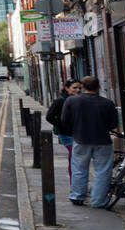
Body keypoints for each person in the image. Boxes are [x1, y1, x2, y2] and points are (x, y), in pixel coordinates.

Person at [60, 75, 119, 208]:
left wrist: (75, 130)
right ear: (98, 87)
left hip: (80, 139)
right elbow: (113, 124)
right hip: (103, 140)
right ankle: (98, 201)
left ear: (83, 87)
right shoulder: (108, 103)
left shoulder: (72, 101)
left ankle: (77, 196)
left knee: (79, 169)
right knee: (103, 171)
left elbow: (64, 121)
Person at [45, 80, 82, 178]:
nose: (78, 90)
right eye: (74, 88)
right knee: (74, 157)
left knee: (76, 158)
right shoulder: (60, 101)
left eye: (79, 88)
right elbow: (49, 117)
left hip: (79, 134)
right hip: (67, 135)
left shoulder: (80, 100)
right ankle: (74, 185)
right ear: (67, 88)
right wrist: (63, 126)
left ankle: (77, 185)